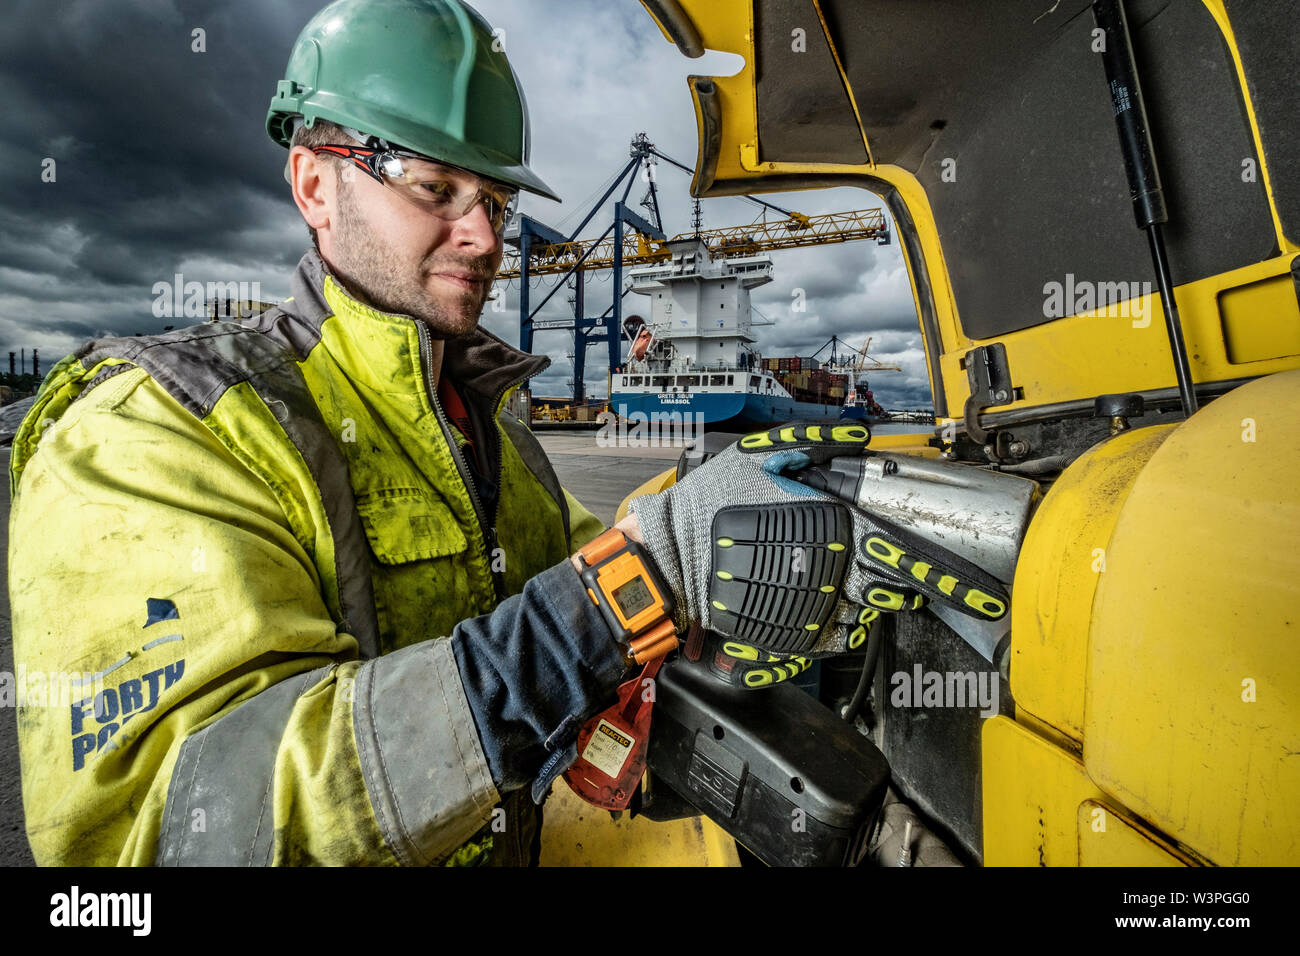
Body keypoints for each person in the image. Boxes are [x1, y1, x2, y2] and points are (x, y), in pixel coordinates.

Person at [8, 0, 995, 867]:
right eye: (435, 189)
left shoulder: (494, 430)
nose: (484, 238)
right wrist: (642, 581)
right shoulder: (158, 430)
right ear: (313, 183)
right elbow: (173, 833)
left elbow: (595, 592)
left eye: (494, 200)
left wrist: (758, 598)